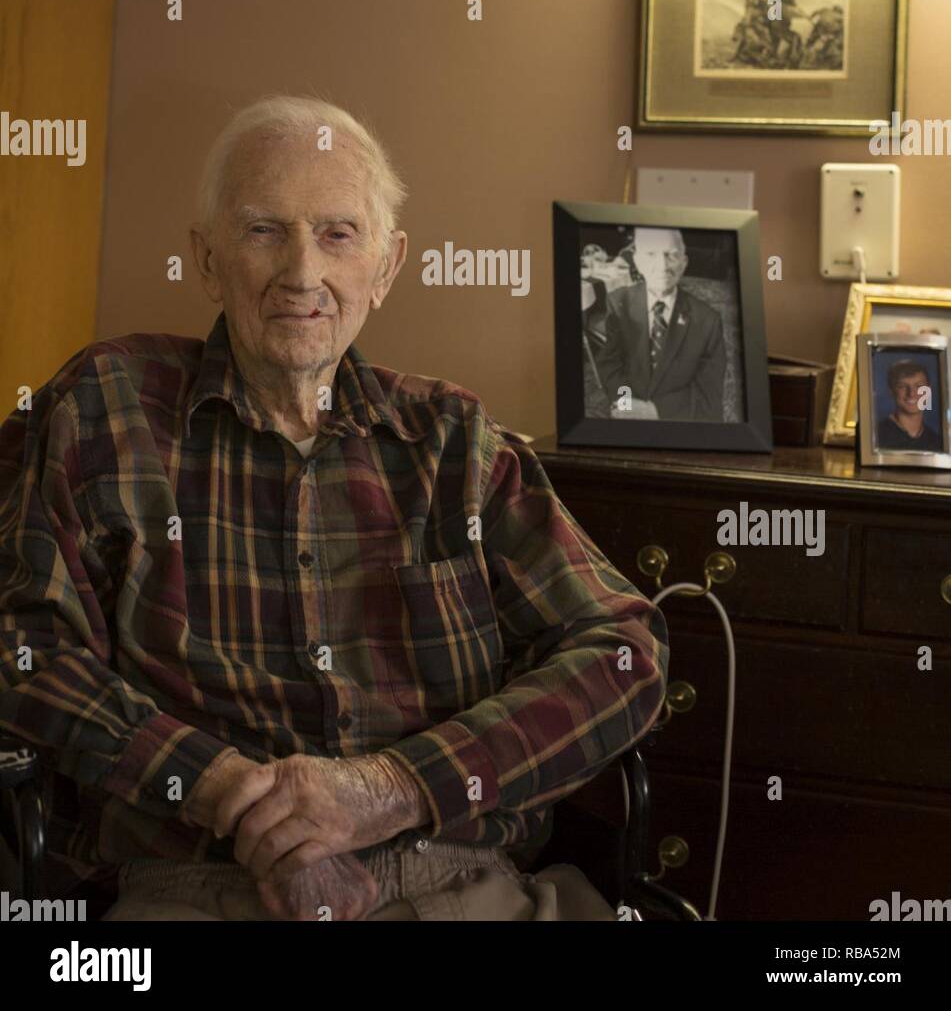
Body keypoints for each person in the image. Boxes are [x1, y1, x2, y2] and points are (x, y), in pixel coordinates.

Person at [0, 96, 668, 922]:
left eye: (337, 234)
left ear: (385, 268)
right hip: (201, 889)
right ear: (206, 261)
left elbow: (623, 655)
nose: (302, 273)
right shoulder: (106, 406)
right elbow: (20, 643)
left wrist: (388, 790)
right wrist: (230, 795)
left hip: (459, 882)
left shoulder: (453, 441)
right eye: (262, 231)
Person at [597, 227, 726, 422]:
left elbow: (710, 395)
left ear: (684, 263)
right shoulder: (618, 303)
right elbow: (611, 364)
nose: (663, 265)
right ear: (637, 262)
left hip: (680, 424)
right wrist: (626, 404)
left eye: (672, 255)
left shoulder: (708, 321)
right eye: (651, 254)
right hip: (628, 416)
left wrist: (656, 411)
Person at [875, 358, 943, 451]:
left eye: (919, 386)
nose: (911, 393)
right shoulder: (876, 435)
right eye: (902, 386)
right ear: (891, 391)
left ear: (928, 391)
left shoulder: (937, 441)